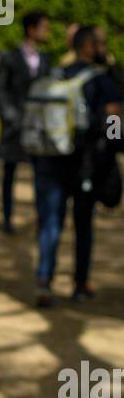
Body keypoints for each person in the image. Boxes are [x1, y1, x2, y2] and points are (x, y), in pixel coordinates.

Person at [32, 25, 123, 305]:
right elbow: (114, 124)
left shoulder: (55, 75)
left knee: (51, 222)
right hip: (85, 162)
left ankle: (45, 282)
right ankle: (80, 283)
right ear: (89, 46)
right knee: (83, 224)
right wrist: (114, 148)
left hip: (50, 159)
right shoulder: (100, 81)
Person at [0, 9, 52, 232]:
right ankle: (7, 217)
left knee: (41, 173)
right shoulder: (10, 57)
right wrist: (12, 115)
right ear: (31, 29)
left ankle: (41, 217)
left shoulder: (46, 59)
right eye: (44, 27)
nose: (48, 32)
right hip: (15, 126)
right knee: (9, 173)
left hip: (39, 127)